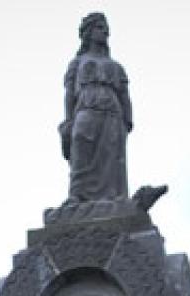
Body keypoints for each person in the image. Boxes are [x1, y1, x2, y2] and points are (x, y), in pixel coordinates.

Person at [59, 12, 133, 204]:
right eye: (100, 27)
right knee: (80, 142)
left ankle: (114, 199)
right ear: (89, 32)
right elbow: (69, 94)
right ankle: (77, 195)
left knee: (111, 157)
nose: (105, 31)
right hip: (86, 107)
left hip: (112, 112)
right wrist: (68, 120)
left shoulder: (116, 66)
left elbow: (124, 94)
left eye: (106, 28)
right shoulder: (77, 63)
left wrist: (127, 120)